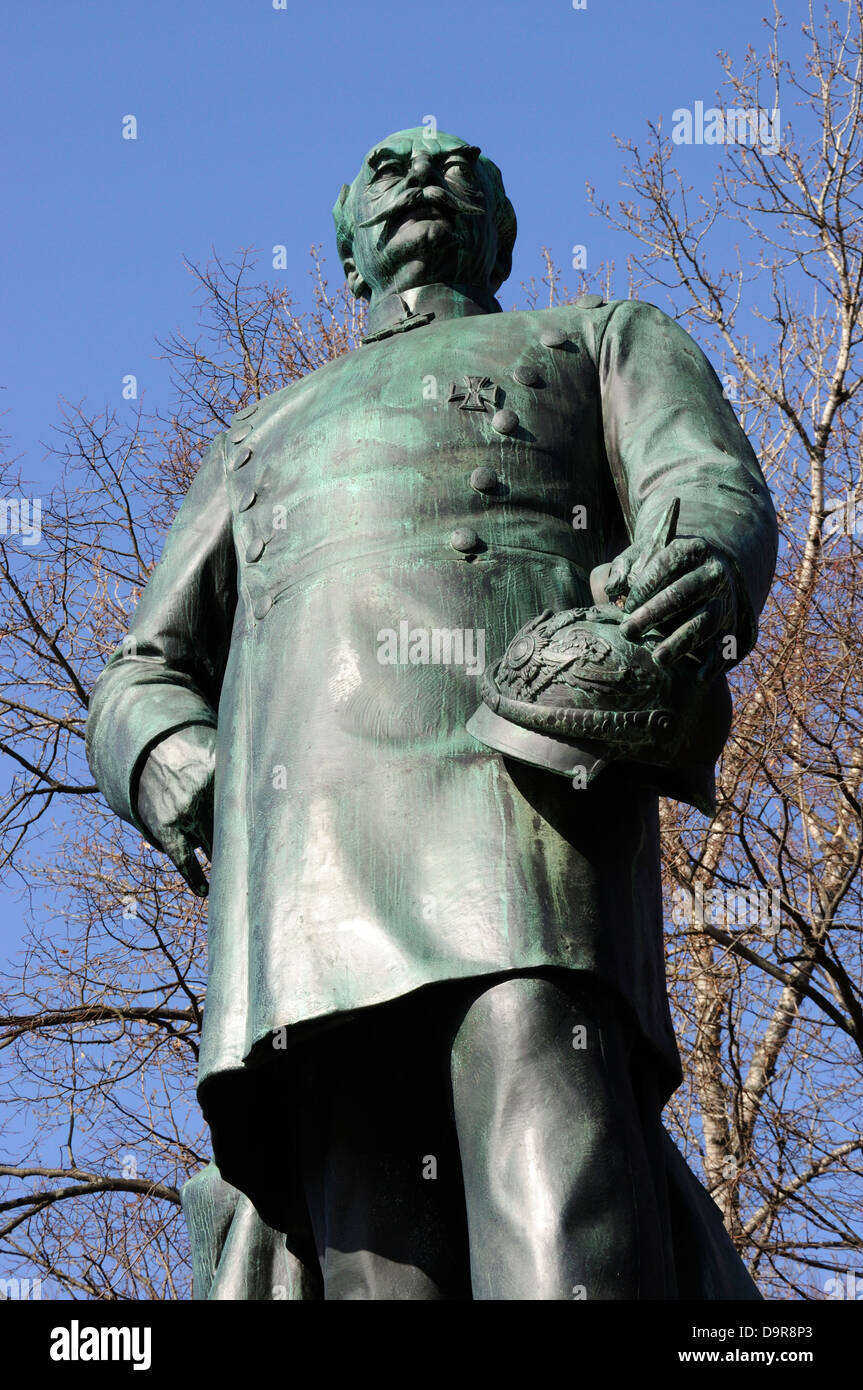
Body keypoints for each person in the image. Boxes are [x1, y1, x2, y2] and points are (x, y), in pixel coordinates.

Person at [86, 127, 777, 1299]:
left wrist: (689, 582)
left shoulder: (595, 338)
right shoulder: (256, 438)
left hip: (521, 802)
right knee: (367, 1250)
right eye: (385, 169)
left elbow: (704, 487)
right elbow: (138, 671)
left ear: (503, 233)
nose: (420, 173)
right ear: (346, 252)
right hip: (306, 864)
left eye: (459, 165)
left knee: (555, 1178)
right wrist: (175, 760)